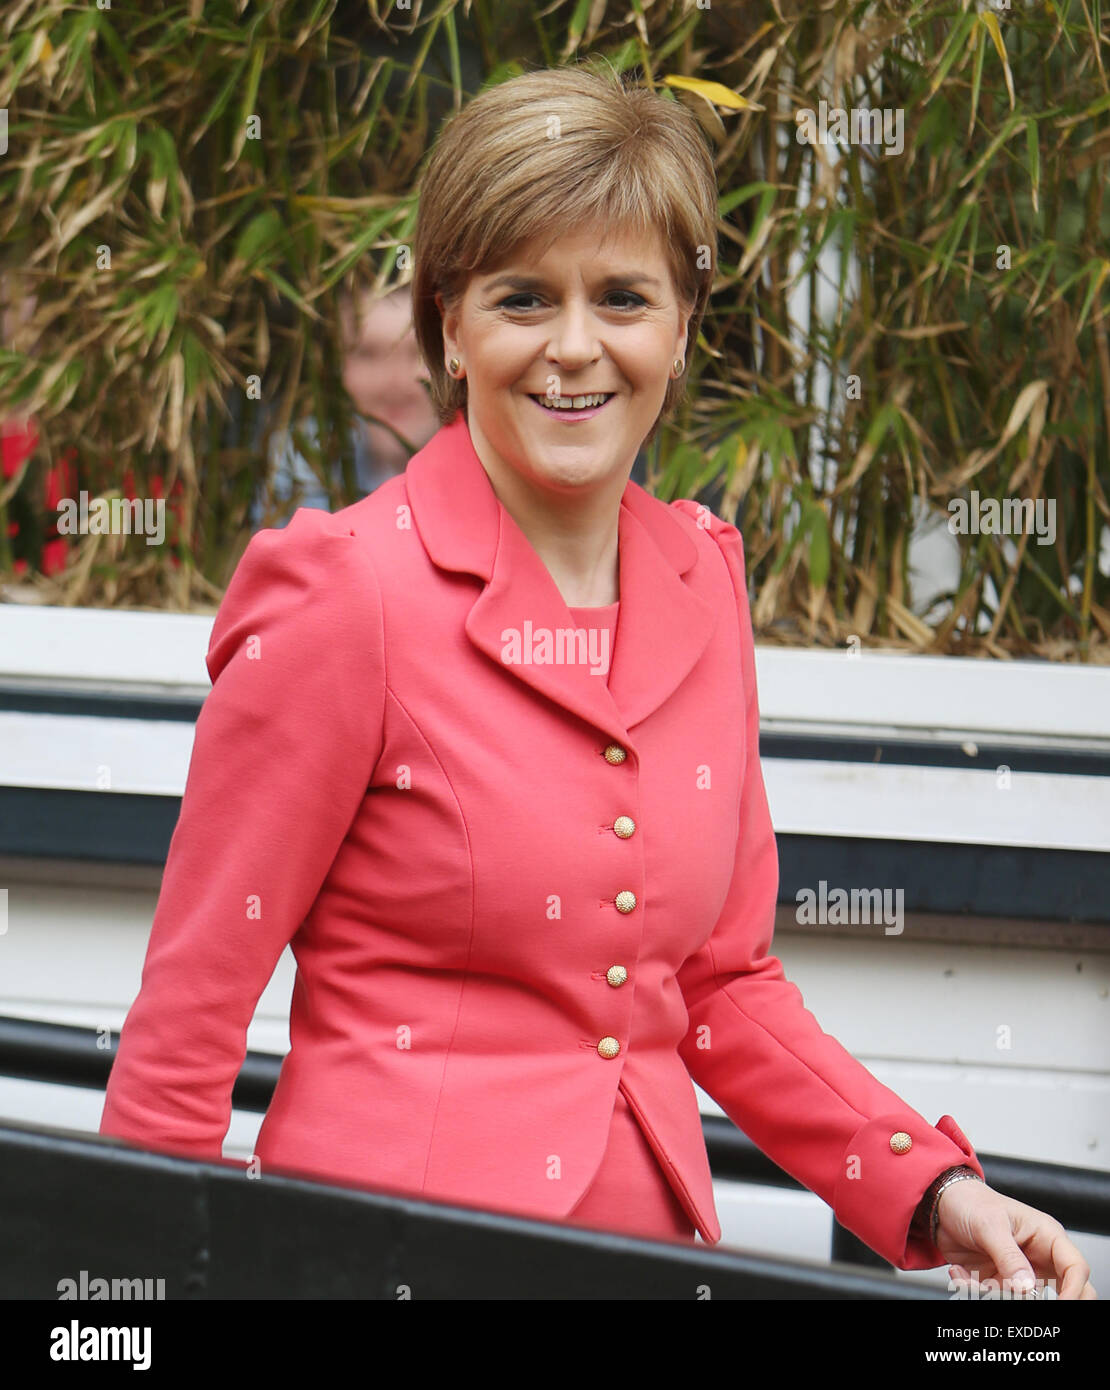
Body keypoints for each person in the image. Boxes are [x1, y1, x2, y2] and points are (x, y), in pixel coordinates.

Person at [98, 62, 1095, 1298]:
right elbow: (192, 1010)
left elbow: (722, 983)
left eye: (623, 297)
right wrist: (125, 1301)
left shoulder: (705, 578)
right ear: (450, 326)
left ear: (681, 326)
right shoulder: (343, 592)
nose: (575, 347)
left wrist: (931, 1188)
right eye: (524, 298)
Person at [249, 284, 440, 530]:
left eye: (419, 354)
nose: (396, 383)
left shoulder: (495, 475)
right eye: (368, 355)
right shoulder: (296, 462)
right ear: (332, 366)